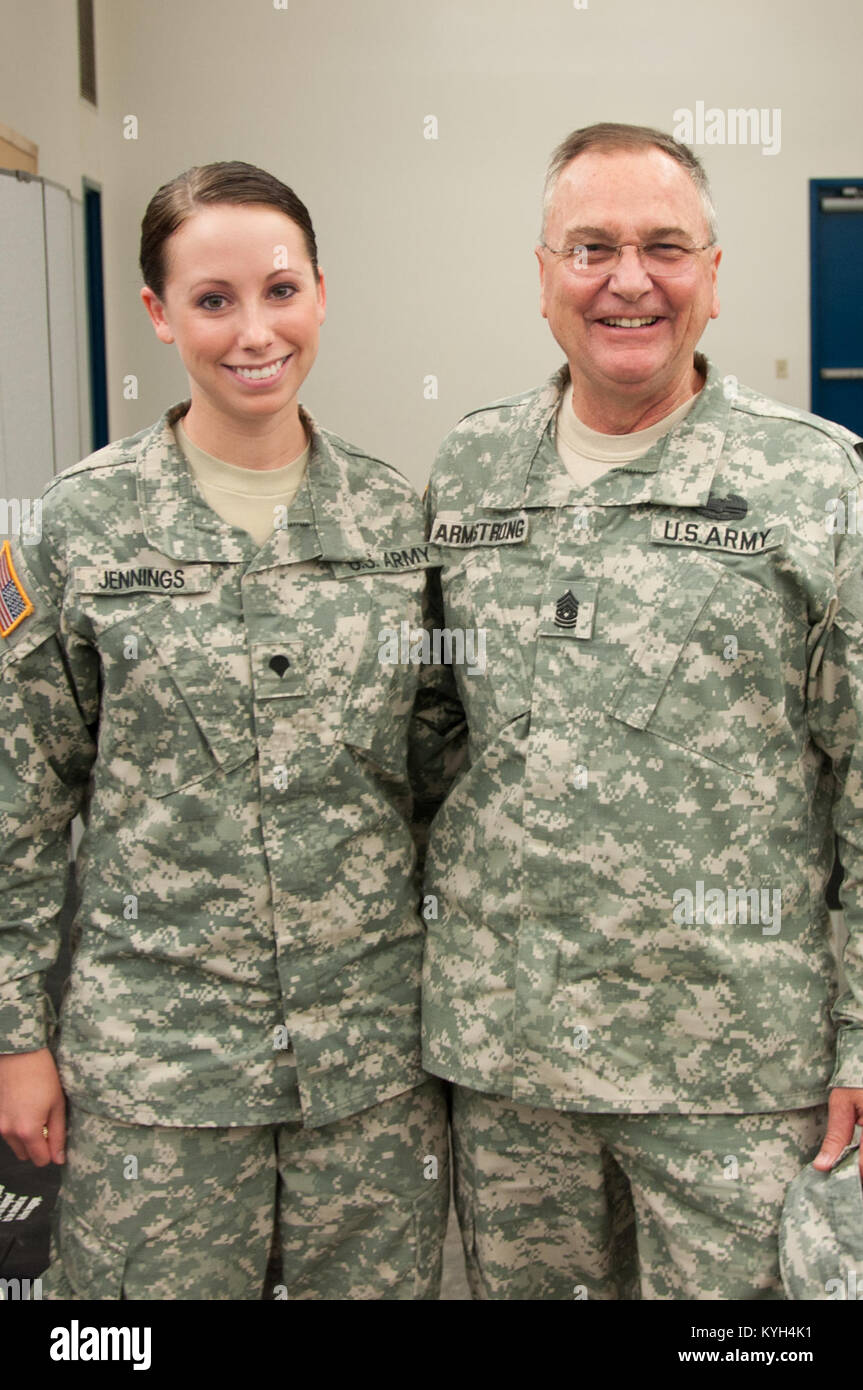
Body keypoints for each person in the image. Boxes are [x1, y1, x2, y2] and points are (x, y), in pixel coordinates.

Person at [411, 122, 863, 1300]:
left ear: (712, 276)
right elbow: (423, 742)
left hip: (733, 1071)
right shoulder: (466, 476)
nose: (628, 280)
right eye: (591, 247)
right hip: (511, 1066)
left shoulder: (815, 484)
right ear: (543, 276)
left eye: (664, 246)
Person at [0, 161, 448, 1300]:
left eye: (280, 290)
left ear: (321, 294)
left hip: (370, 1069)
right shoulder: (78, 528)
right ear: (157, 313)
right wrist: (14, 1035)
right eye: (212, 299)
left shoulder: (400, 525)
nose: (254, 331)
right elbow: (17, 801)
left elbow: (445, 782)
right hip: (162, 1069)